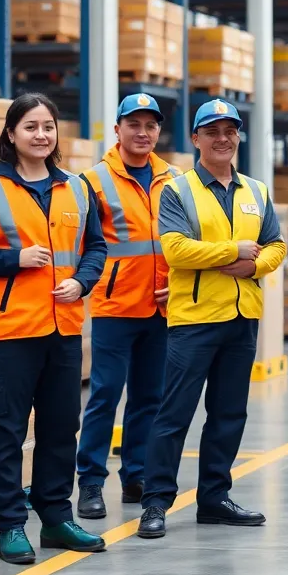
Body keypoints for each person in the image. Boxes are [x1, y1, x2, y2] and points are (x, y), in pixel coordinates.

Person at [0, 93, 108, 564]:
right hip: (12, 331)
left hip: (63, 329)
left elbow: (96, 249)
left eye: (48, 126)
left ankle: (57, 518)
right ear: (10, 135)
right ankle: (12, 526)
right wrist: (13, 260)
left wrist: (82, 283)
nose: (41, 135)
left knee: (63, 428)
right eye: (31, 127)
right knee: (9, 429)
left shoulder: (78, 190)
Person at [136, 99, 287, 539]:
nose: (223, 139)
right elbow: (175, 249)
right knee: (174, 413)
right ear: (196, 139)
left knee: (228, 413)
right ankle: (156, 502)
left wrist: (255, 266)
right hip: (194, 319)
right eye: (213, 131)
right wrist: (233, 251)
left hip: (242, 316)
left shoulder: (256, 191)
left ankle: (214, 497)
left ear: (238, 136)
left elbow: (275, 244)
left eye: (230, 131)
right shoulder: (177, 190)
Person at [75, 94, 180, 519]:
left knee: (149, 399)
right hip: (115, 306)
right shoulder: (92, 181)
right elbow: (82, 246)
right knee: (104, 395)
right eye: (133, 124)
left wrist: (176, 285)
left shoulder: (174, 178)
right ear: (117, 129)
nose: (142, 132)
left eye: (150, 125)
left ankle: (136, 474)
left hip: (160, 307)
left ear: (158, 131)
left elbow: (182, 243)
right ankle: (90, 483)